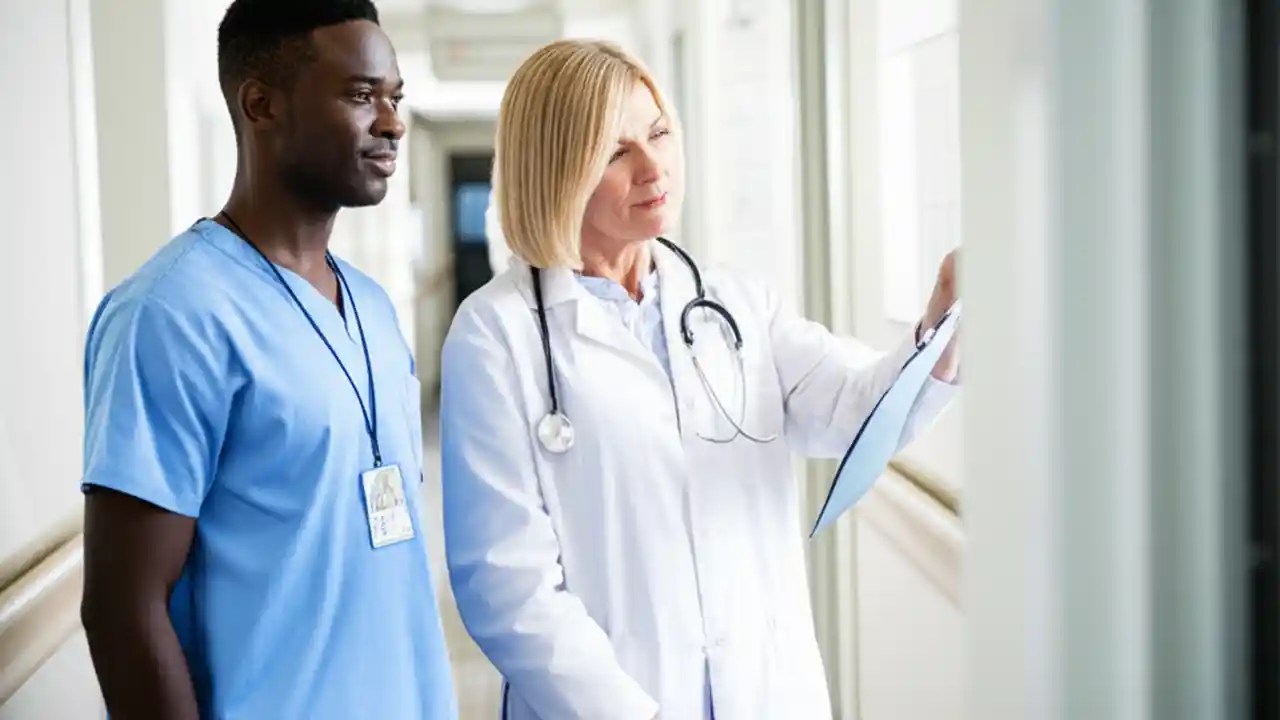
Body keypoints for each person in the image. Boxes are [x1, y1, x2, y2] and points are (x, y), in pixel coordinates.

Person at [439, 39, 960, 720]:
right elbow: (508, 588)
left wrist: (941, 328)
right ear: (557, 168)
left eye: (658, 133)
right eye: (614, 150)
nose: (654, 167)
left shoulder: (734, 305)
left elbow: (856, 408)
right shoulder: (495, 335)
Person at [78, 2, 456, 718]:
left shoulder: (373, 309)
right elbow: (123, 613)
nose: (391, 121)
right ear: (262, 104)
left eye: (395, 98)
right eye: (359, 95)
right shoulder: (172, 314)